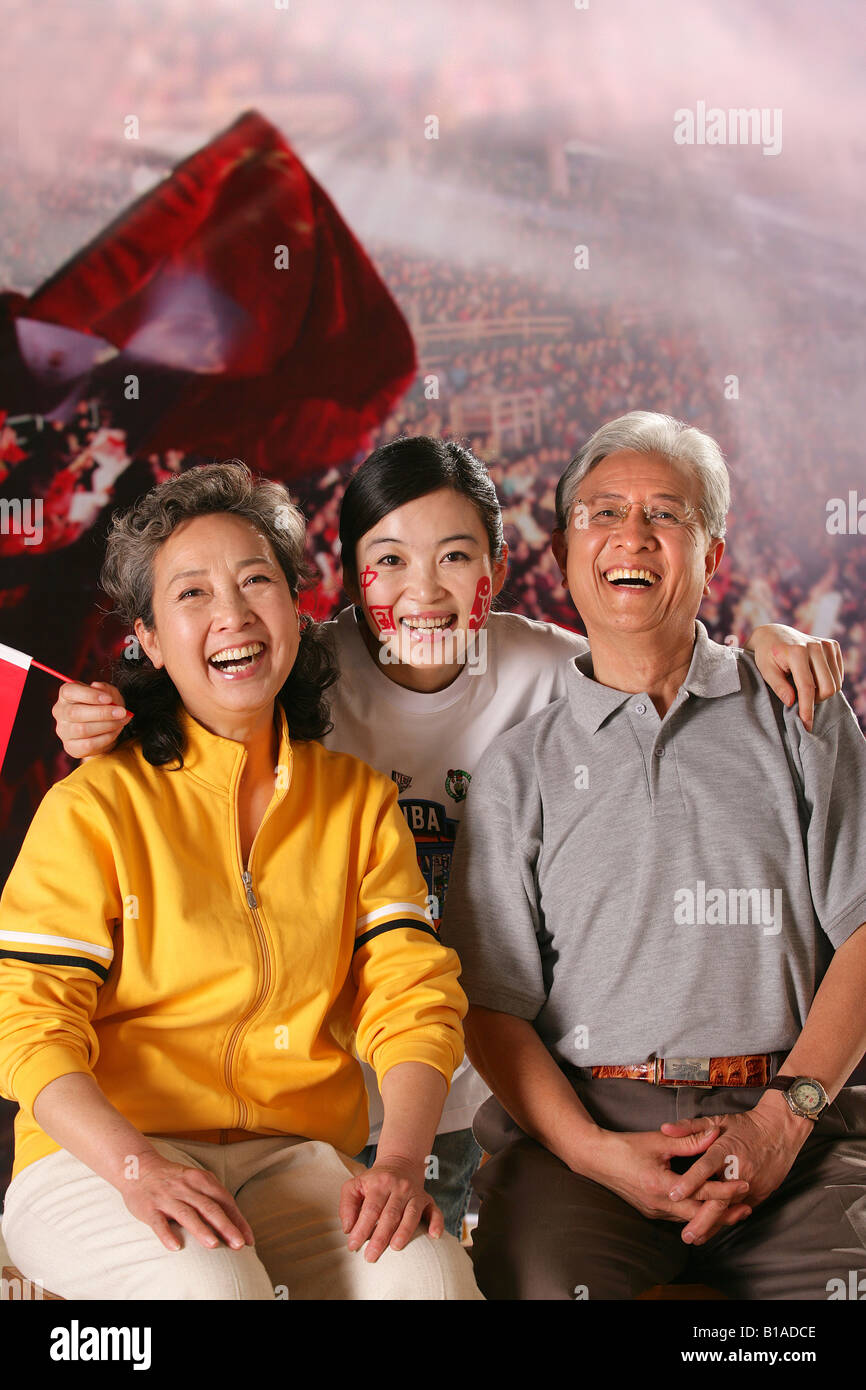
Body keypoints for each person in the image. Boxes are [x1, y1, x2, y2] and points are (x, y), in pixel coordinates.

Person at [48, 436, 844, 1240]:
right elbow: (193, 680)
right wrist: (101, 712)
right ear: (347, 575)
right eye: (388, 560)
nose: (422, 591)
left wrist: (767, 645)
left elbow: (666, 653)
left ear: (494, 570)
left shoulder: (547, 664)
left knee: (435, 1263)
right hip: (311, 1069)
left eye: (454, 557)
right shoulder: (294, 661)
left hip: (465, 1068)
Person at [0, 462, 482, 1300]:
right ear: (148, 640)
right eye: (191, 593)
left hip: (291, 1158)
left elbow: (412, 998)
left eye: (256, 579)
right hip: (100, 1159)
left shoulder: (359, 801)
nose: (232, 613)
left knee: (431, 1278)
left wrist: (400, 1162)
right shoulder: (95, 805)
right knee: (213, 1283)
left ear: (296, 608)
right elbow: (28, 1026)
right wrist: (137, 1167)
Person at [442, 411, 866, 1300]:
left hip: (796, 1115)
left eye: (665, 515)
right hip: (586, 1135)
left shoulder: (803, 713)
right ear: (564, 551)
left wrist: (781, 1124)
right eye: (603, 514)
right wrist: (595, 1153)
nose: (631, 536)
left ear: (713, 557)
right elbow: (492, 1006)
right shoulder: (518, 769)